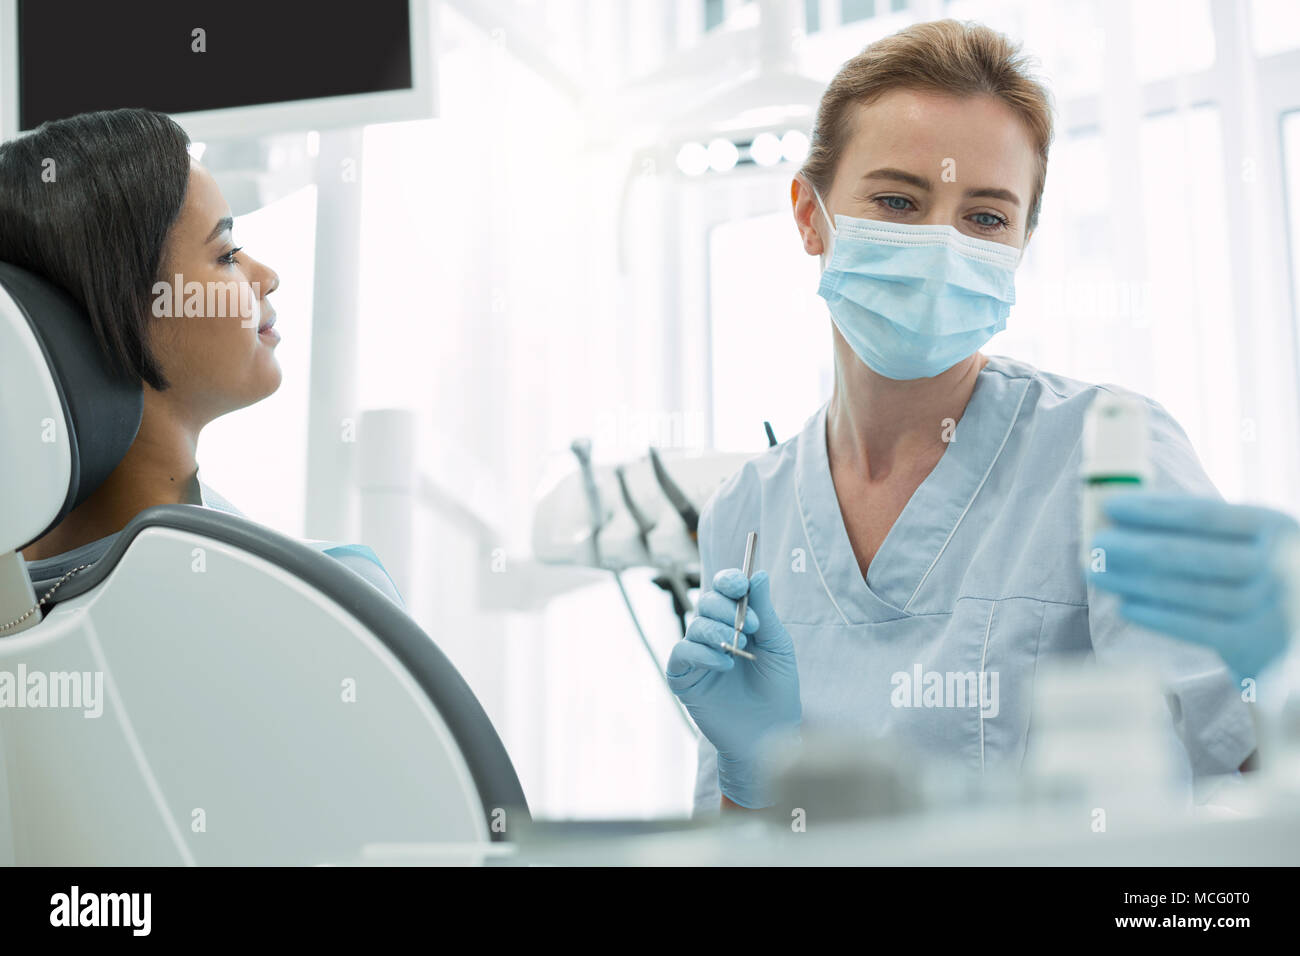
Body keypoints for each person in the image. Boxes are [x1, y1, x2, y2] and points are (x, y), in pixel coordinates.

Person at [667, 19, 1255, 813]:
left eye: (985, 217)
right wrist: (750, 776)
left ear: (1023, 241)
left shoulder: (1112, 457)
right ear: (810, 214)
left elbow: (1248, 799)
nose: (941, 246)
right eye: (899, 201)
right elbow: (740, 847)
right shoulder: (747, 512)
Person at [0, 108, 401, 605]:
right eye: (227, 254)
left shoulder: (20, 611)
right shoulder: (330, 596)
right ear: (119, 310)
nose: (267, 276)